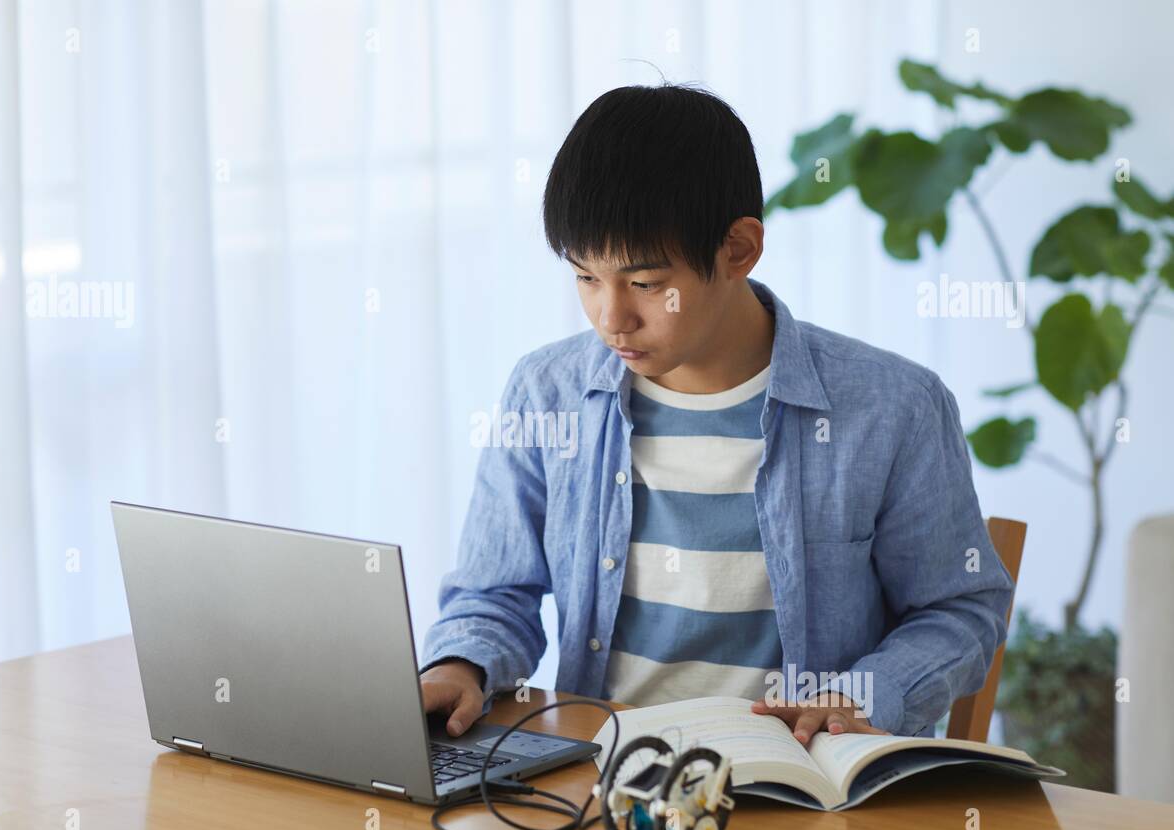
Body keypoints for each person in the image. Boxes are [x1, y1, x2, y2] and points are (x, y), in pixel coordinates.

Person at [419, 82, 1013, 750]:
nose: (610, 318)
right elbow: (494, 590)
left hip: (805, 784)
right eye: (585, 277)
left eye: (645, 284)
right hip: (602, 780)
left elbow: (959, 608)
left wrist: (860, 694)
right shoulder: (546, 392)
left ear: (738, 250)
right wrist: (459, 664)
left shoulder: (889, 408)